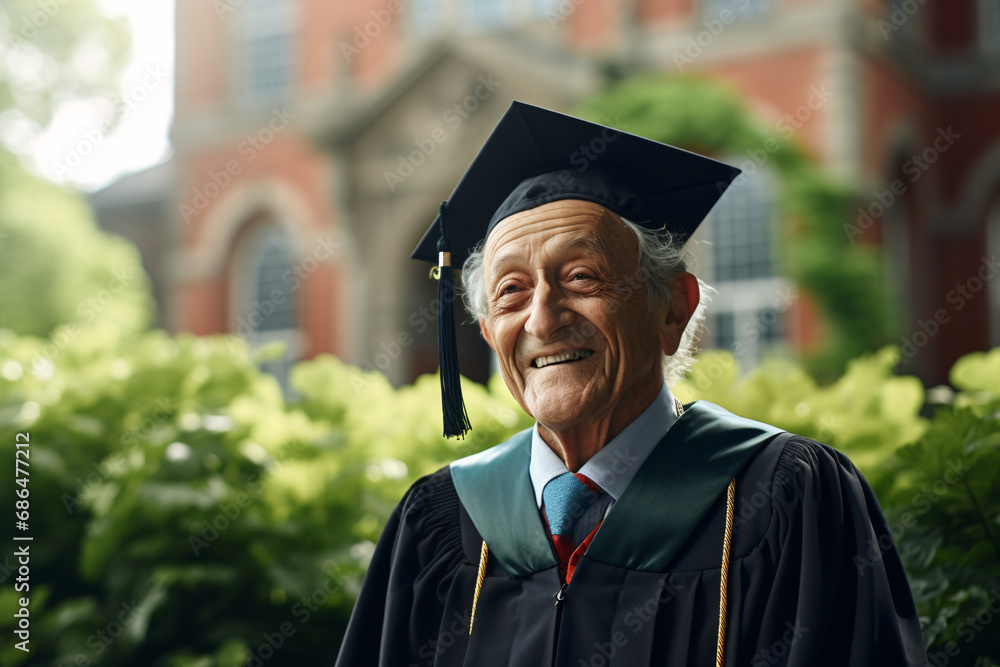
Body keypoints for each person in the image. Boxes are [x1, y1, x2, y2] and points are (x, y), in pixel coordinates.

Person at [334, 101, 928, 666]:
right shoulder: (439, 523)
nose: (542, 319)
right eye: (511, 291)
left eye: (581, 276)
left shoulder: (786, 499)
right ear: (490, 334)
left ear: (673, 308)